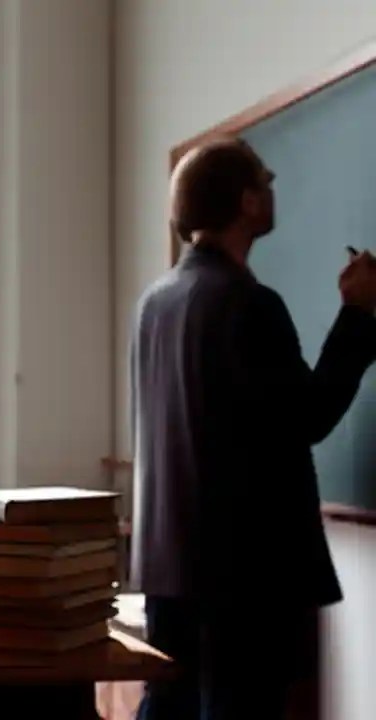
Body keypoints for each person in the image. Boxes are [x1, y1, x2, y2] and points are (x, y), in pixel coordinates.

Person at [131, 136, 376, 718]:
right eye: (266, 182)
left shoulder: (156, 302)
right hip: (245, 579)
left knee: (167, 709)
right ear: (246, 201)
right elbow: (309, 416)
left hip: (170, 565)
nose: (272, 192)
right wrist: (359, 313)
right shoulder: (246, 302)